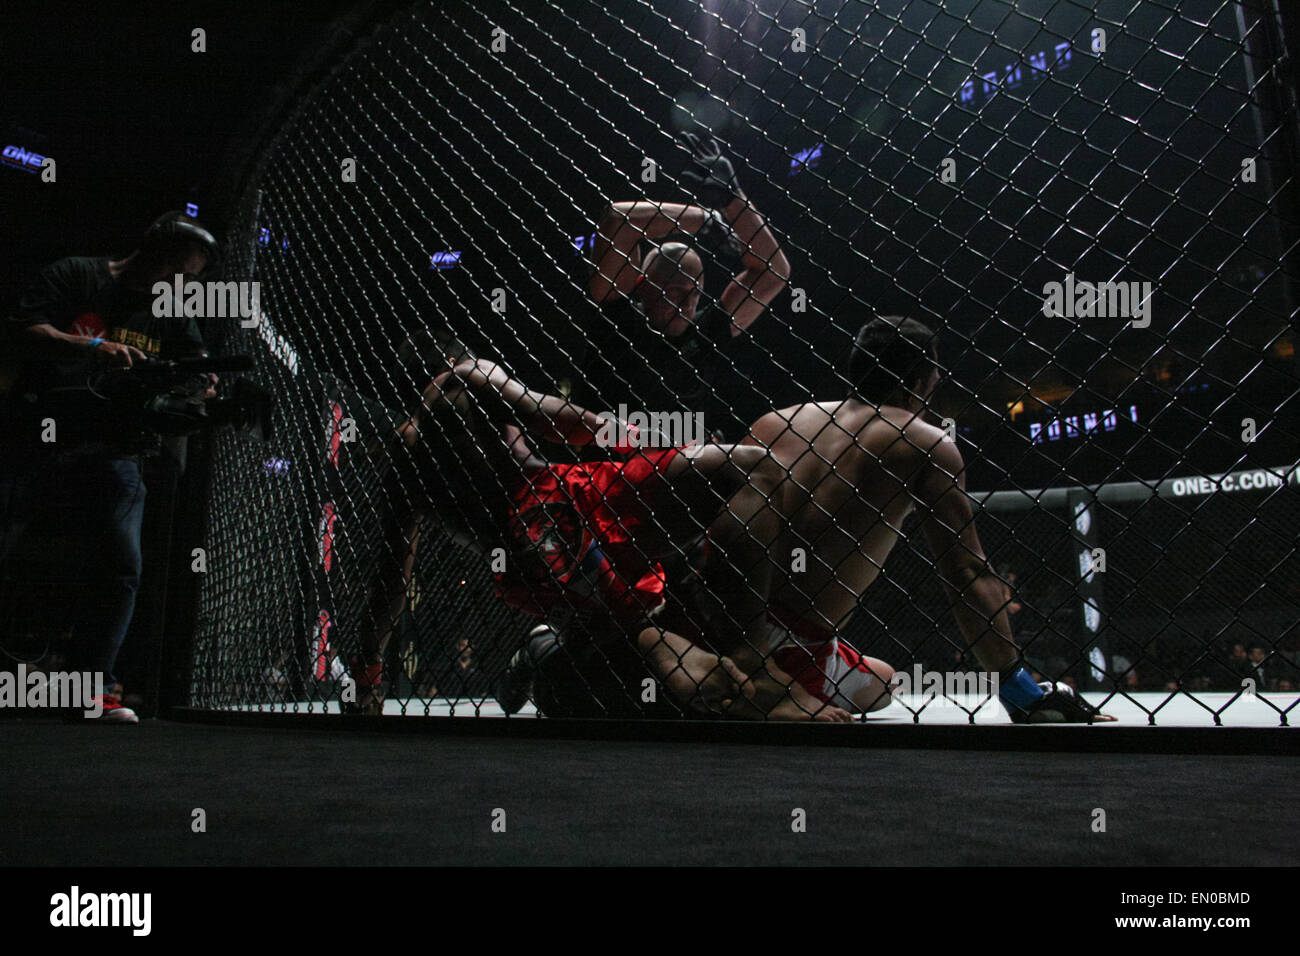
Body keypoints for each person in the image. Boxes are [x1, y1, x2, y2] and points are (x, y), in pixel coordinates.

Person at [348, 330, 849, 722]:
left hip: (537, 558)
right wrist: (661, 443)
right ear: (451, 359)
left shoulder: (402, 456)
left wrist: (368, 675)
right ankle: (737, 658)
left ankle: (583, 645)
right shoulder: (468, 376)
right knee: (750, 467)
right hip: (569, 504)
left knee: (650, 624)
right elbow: (573, 422)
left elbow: (390, 577)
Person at [697, 316, 1113, 723]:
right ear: (917, 385)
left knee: (878, 676)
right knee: (883, 684)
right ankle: (776, 684)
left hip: (711, 615)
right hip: (787, 644)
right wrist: (1019, 689)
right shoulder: (923, 442)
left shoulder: (777, 421)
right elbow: (965, 570)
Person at [0, 211, 220, 723]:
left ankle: (89, 690)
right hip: (40, 430)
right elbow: (22, 329)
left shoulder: (171, 309)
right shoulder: (77, 274)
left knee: (122, 564)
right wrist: (95, 347)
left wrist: (200, 381)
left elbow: (194, 362)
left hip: (114, 443)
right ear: (153, 255)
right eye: (183, 271)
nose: (187, 285)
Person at [580, 132, 790, 436]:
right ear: (643, 284)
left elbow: (775, 274)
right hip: (615, 467)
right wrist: (703, 219)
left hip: (687, 471)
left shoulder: (707, 330)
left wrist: (732, 198)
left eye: (695, 293)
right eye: (676, 292)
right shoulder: (618, 313)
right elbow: (619, 219)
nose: (687, 305)